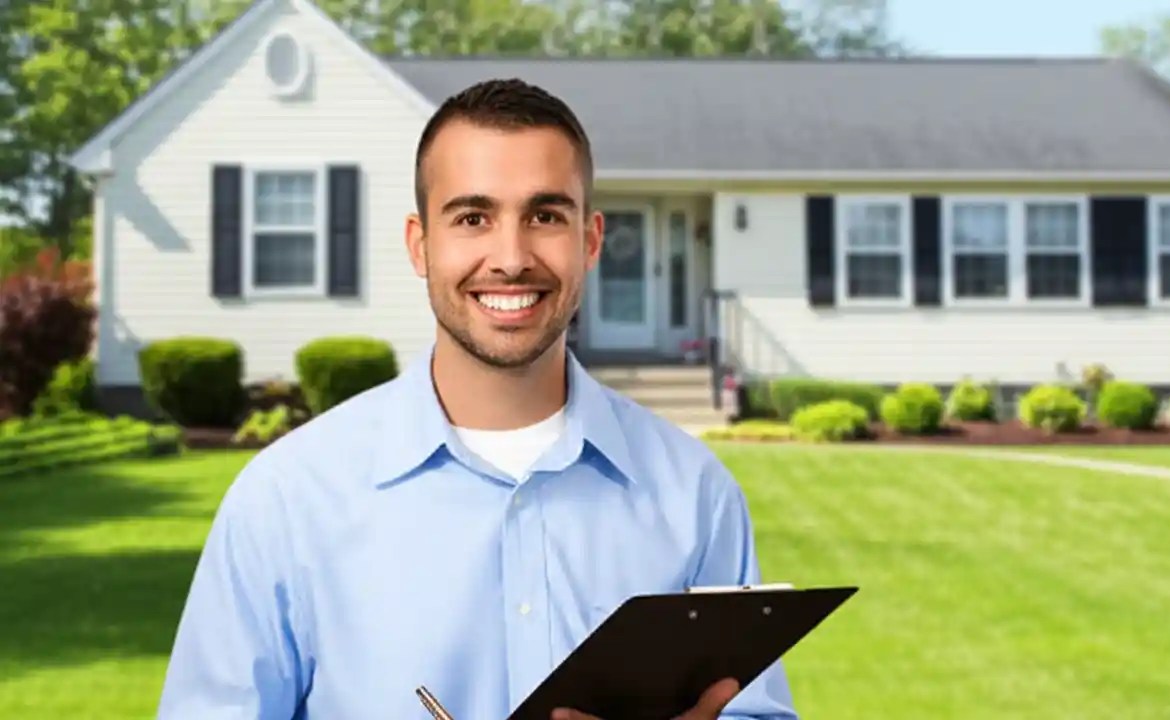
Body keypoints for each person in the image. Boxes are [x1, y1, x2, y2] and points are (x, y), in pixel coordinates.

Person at [156, 78, 797, 719]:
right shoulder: (286, 501)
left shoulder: (695, 494)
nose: (512, 258)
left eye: (545, 216)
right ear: (419, 245)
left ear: (591, 241)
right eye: (472, 218)